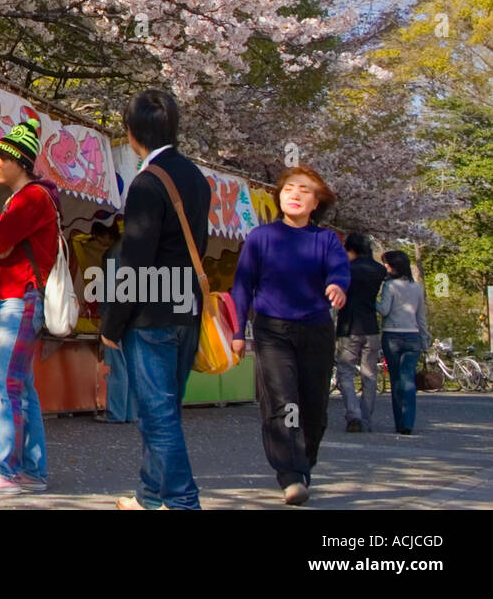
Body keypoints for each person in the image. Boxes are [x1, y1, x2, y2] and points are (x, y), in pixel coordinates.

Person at [101, 89, 210, 510]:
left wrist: (112, 325)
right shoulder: (197, 179)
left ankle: (184, 503)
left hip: (151, 317)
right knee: (163, 413)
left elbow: (135, 261)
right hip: (187, 310)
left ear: (131, 134)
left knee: (158, 417)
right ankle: (148, 495)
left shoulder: (147, 183)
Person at [230, 166, 349, 505]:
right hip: (273, 331)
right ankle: (291, 475)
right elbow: (242, 286)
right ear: (279, 195)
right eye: (289, 188)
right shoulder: (261, 237)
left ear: (316, 202)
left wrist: (337, 285)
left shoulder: (325, 239)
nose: (295, 194)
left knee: (313, 407)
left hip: (316, 330)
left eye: (305, 190)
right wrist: (238, 330)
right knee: (284, 402)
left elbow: (339, 269)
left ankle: (303, 463)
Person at [0, 117, 62, 496]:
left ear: (21, 161)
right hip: (18, 300)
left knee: (2, 386)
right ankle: (32, 471)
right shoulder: (33, 199)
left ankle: (5, 470)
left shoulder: (32, 198)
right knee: (22, 388)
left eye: (3, 157)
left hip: (17, 300)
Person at [335, 232, 388, 432]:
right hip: (371, 327)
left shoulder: (346, 269)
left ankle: (353, 414)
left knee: (346, 372)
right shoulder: (379, 270)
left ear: (351, 249)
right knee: (370, 375)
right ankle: (366, 418)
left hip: (349, 327)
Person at [377, 250, 429, 436]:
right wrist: (425, 339)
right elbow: (421, 317)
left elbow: (384, 310)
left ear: (393, 266)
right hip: (413, 336)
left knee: (396, 380)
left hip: (392, 335)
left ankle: (400, 421)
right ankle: (408, 422)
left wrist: (370, 301)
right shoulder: (416, 288)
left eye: (387, 264)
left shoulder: (390, 286)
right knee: (408, 380)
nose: (385, 267)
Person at [88, 216, 135, 423]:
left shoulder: (113, 253)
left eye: (98, 238)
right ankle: (131, 413)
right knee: (131, 364)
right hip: (135, 313)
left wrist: (104, 314)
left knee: (117, 364)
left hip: (116, 313)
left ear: (105, 234)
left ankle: (116, 413)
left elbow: (109, 287)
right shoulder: (133, 245)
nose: (99, 244)